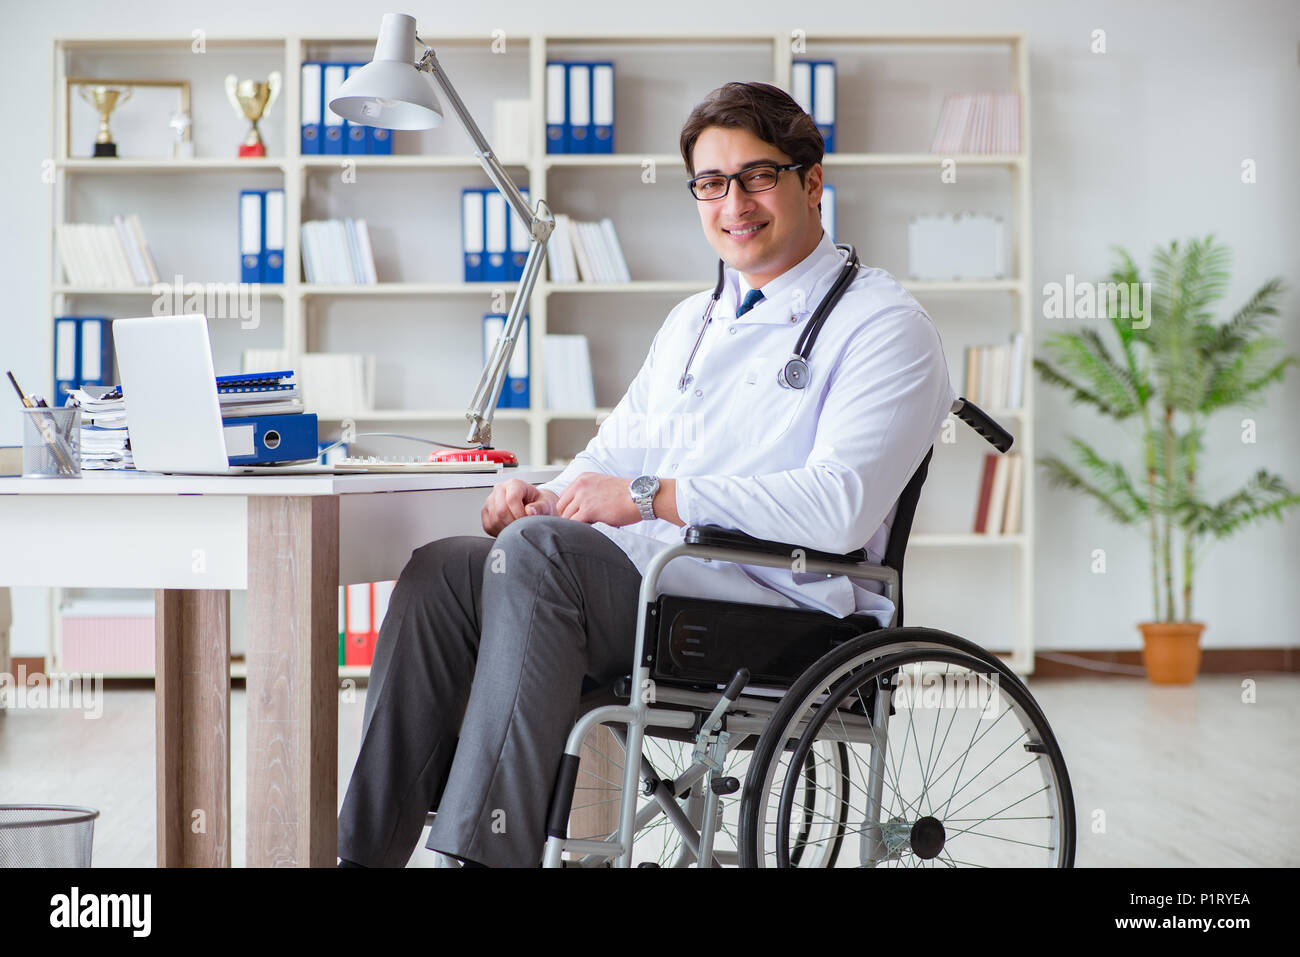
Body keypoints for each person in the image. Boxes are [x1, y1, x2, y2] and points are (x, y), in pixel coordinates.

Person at [336, 80, 955, 868]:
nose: (734, 202)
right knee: (441, 571)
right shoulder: (691, 322)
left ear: (811, 181)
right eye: (711, 183)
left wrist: (648, 498)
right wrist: (547, 496)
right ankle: (363, 855)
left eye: (758, 176)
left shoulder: (883, 326)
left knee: (542, 557)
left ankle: (482, 857)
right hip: (663, 586)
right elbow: (614, 453)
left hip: (778, 611)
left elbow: (838, 507)